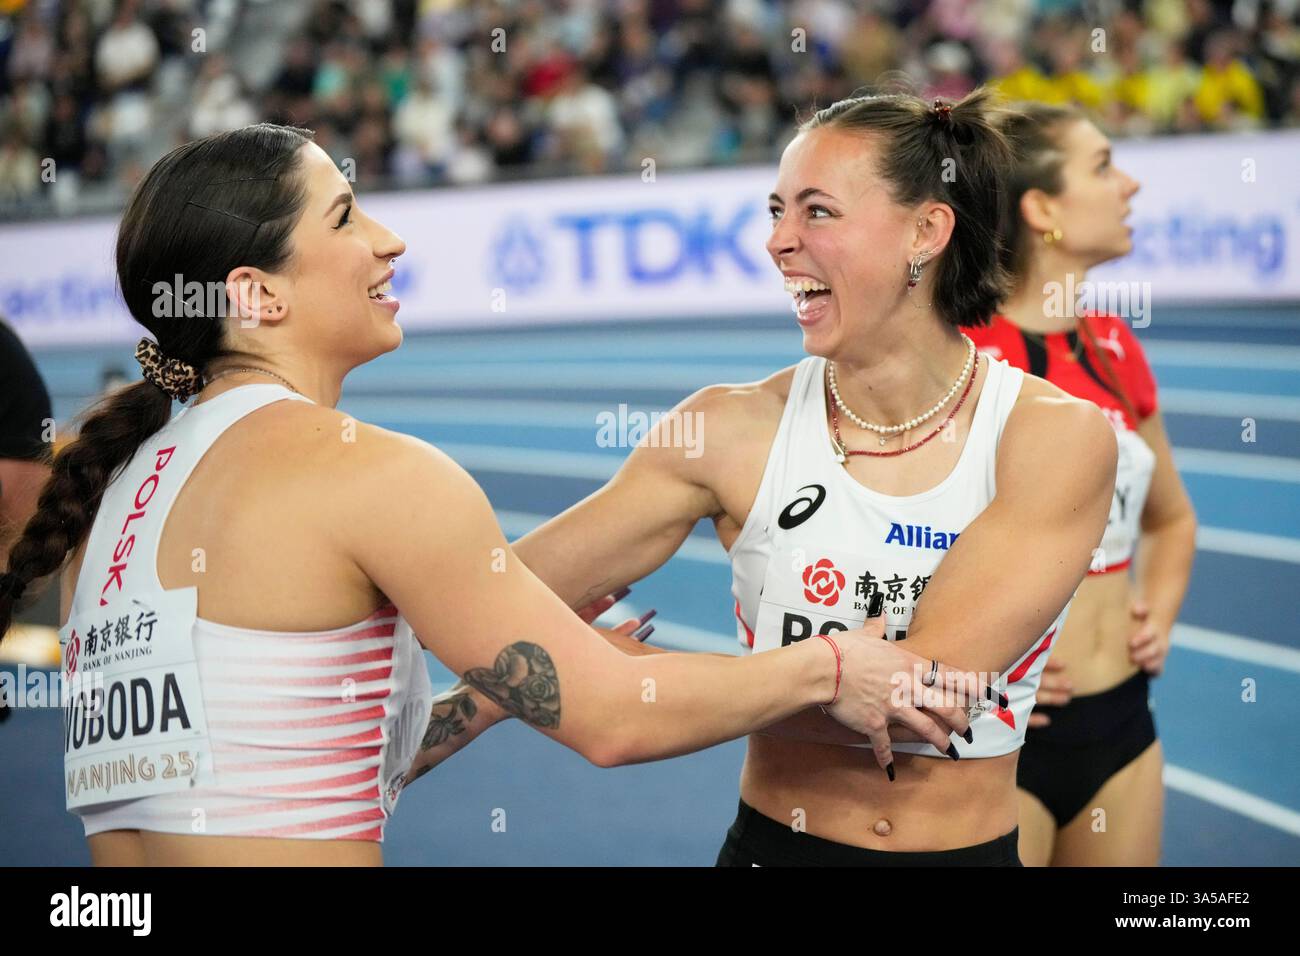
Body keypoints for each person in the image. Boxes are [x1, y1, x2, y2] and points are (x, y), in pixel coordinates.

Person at [0, 123, 983, 867]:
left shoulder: (116, 497)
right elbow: (613, 719)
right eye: (345, 216)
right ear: (258, 294)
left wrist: (498, 695)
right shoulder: (368, 472)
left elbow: (298, 770)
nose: (388, 242)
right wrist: (830, 666)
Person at [413, 89, 1120, 867]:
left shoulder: (1054, 437)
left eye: (816, 212)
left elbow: (917, 698)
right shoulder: (723, 432)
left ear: (927, 230)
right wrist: (510, 685)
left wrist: (627, 676)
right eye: (776, 210)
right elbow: (481, 600)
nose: (778, 242)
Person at [965, 103, 1197, 866]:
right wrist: (959, 673)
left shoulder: (1113, 344)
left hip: (1125, 726)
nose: (1128, 184)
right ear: (1042, 210)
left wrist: (1155, 617)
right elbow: (886, 531)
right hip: (1000, 740)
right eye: (1102, 166)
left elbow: (1171, 519)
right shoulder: (963, 357)